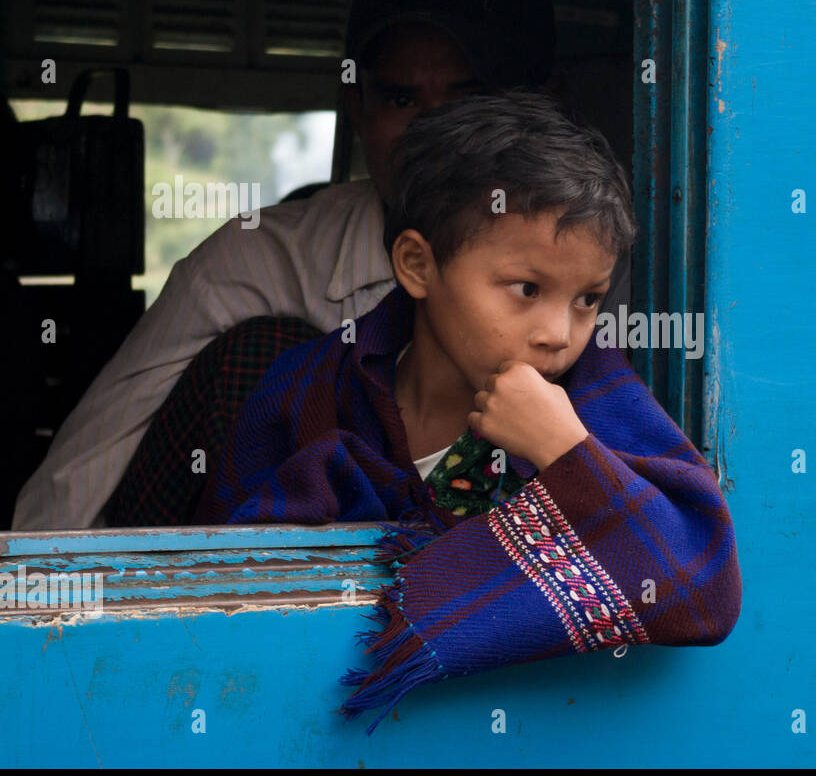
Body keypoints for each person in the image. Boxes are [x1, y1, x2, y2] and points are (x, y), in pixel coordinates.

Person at [12, 0, 628, 530]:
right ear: (356, 109)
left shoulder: (584, 282)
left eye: (471, 102)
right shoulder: (259, 260)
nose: (433, 135)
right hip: (270, 588)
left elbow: (675, 547)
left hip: (479, 590)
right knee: (268, 352)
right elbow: (79, 479)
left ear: (542, 110)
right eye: (400, 98)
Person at [193, 91, 741, 731]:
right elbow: (212, 583)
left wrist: (567, 451)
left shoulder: (591, 400)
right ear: (418, 265)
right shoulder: (313, 389)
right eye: (527, 289)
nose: (559, 334)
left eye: (588, 299)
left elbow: (704, 591)